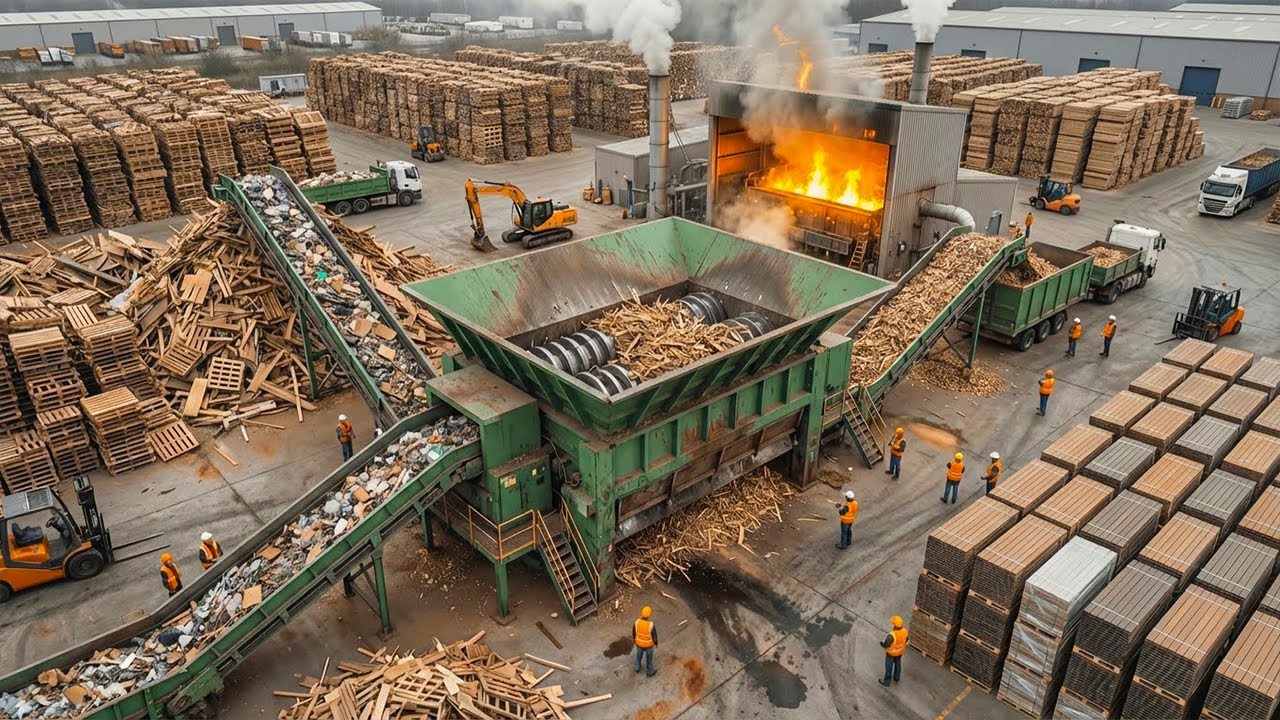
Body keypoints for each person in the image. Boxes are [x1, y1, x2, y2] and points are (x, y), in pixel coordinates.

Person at [879, 615, 908, 687]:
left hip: (891, 653)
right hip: (900, 652)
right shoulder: (905, 631)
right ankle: (896, 678)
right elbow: (906, 640)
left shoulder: (891, 635)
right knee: (898, 663)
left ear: (895, 626)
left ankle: (887, 681)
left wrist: (882, 644)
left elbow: (886, 645)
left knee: (889, 666)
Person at [633, 606, 657, 677]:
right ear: (649, 615)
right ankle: (650, 671)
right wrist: (656, 643)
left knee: (638, 656)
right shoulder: (651, 625)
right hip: (648, 645)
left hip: (639, 644)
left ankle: (637, 667)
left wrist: (635, 640)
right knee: (649, 659)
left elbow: (634, 632)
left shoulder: (637, 622)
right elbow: (654, 635)